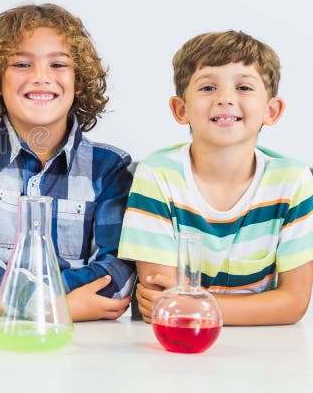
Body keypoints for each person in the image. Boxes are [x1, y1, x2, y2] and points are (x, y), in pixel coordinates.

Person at [0, 3, 135, 321]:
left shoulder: (109, 168)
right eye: (21, 64)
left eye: (58, 64)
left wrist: (2, 302)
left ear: (79, 80)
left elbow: (116, 275)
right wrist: (63, 307)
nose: (41, 77)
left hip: (84, 352)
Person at [119, 30, 313, 325]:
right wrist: (255, 306)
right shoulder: (157, 176)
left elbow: (293, 303)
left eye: (244, 88)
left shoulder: (293, 181)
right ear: (181, 109)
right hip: (174, 351)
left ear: (271, 111)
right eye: (208, 88)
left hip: (266, 352)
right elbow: (160, 296)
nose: (225, 99)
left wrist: (192, 307)